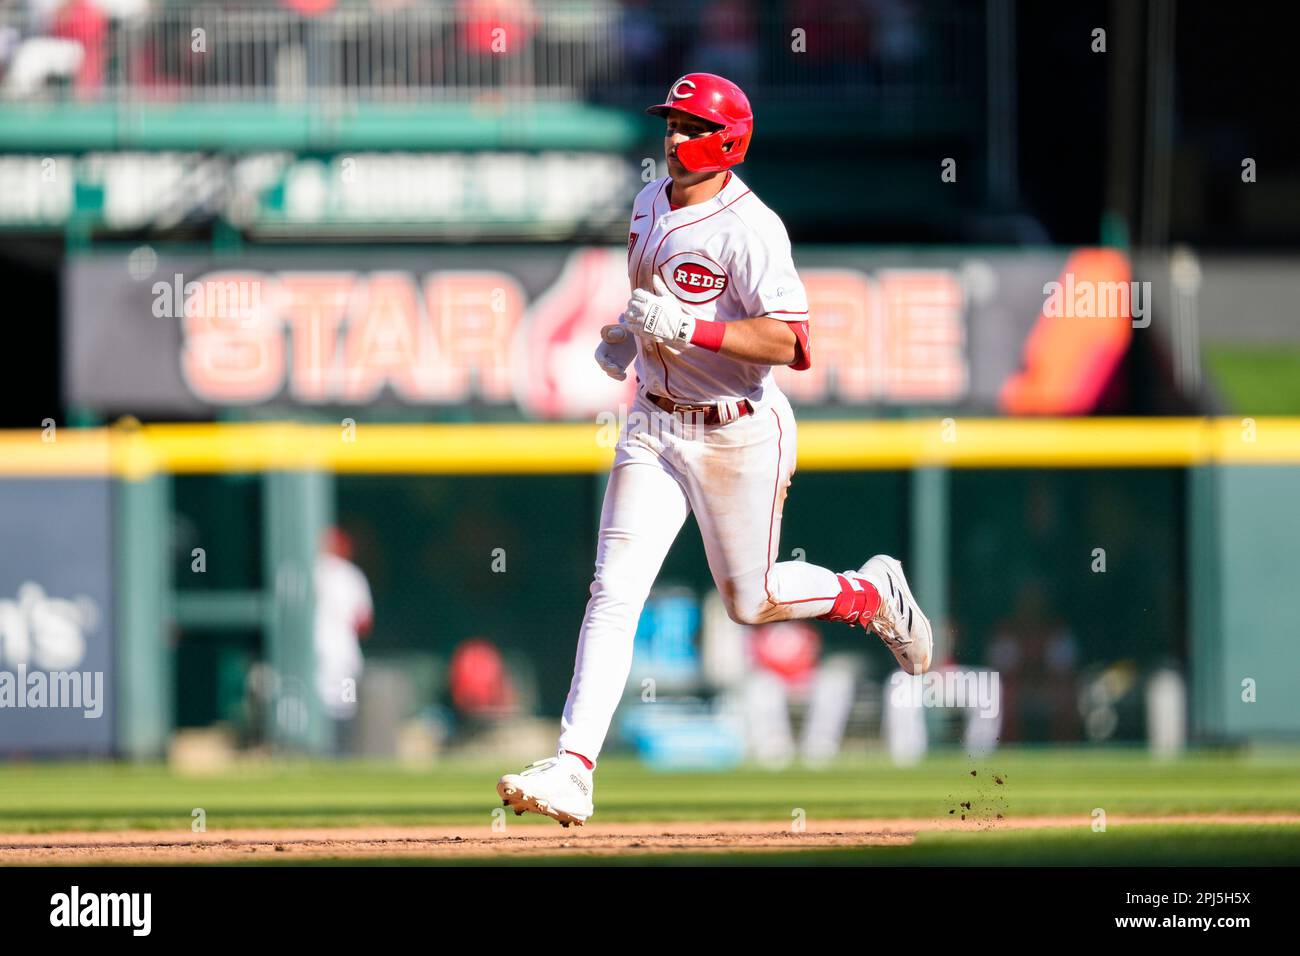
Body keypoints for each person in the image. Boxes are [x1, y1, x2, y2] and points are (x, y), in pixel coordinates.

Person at [497, 73, 933, 826]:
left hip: (736, 428)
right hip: (654, 424)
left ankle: (868, 594)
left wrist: (684, 331)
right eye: (670, 123)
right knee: (614, 589)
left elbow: (790, 342)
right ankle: (574, 768)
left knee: (750, 601)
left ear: (727, 139)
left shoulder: (751, 227)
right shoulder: (645, 203)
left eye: (691, 125)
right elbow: (659, 304)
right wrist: (625, 337)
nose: (673, 137)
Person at [313, 526, 373, 754]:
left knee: (323, 700)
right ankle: (339, 754)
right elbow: (364, 623)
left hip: (317, 649)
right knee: (343, 703)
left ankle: (325, 751)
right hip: (341, 650)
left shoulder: (314, 570)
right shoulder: (350, 574)